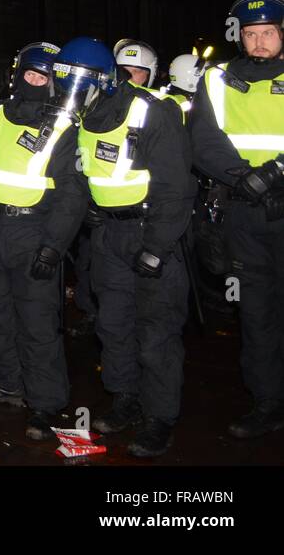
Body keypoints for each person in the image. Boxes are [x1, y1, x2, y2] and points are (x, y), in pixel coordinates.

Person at [67, 36, 194, 457]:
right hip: (108, 235)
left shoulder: (151, 111)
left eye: (80, 82)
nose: (71, 91)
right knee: (114, 325)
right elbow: (83, 174)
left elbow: (176, 187)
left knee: (156, 331)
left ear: (104, 80)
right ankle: (126, 398)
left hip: (151, 229)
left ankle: (160, 417)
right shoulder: (81, 114)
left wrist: (157, 246)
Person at [0, 42, 86, 440]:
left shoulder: (66, 126)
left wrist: (54, 244)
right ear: (17, 76)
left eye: (43, 77)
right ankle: (10, 384)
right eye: (29, 74)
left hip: (35, 232)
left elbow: (72, 193)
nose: (34, 81)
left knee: (37, 323)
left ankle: (46, 404)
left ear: (54, 83)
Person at [190, 0, 284, 438]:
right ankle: (267, 403)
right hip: (245, 213)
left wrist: (274, 175)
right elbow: (203, 141)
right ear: (239, 37)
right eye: (251, 34)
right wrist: (244, 177)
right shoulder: (216, 79)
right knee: (257, 314)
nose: (260, 42)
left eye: (268, 33)